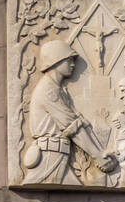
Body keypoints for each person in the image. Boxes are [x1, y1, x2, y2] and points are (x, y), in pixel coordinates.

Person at [22, 40, 116, 186]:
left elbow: (80, 122)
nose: (73, 64)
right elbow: (72, 128)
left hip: (58, 156)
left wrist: (101, 152)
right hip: (49, 157)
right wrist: (97, 156)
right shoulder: (48, 90)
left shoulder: (60, 90)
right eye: (69, 60)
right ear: (56, 61)